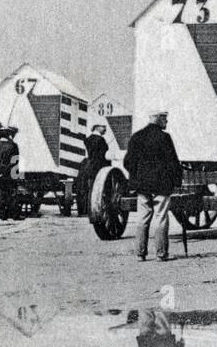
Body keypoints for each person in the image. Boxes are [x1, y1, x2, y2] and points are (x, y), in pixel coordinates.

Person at [123, 109, 182, 261]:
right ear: (157, 119)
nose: (166, 121)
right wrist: (176, 180)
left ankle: (140, 254)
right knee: (161, 218)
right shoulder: (164, 138)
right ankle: (161, 254)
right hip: (161, 186)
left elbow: (127, 162)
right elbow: (173, 162)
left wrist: (137, 177)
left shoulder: (136, 137)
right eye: (164, 118)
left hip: (142, 186)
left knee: (143, 219)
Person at [76, 123, 111, 217]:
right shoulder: (101, 140)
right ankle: (93, 209)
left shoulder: (88, 139)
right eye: (104, 127)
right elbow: (103, 155)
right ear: (97, 127)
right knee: (95, 189)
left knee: (85, 187)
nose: (105, 129)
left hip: (87, 166)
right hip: (99, 166)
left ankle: (83, 210)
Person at [0, 126, 20, 220]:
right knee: (11, 193)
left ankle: (1, 214)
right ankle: (12, 214)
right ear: (9, 134)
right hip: (9, 174)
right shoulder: (13, 146)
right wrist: (9, 173)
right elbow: (14, 162)